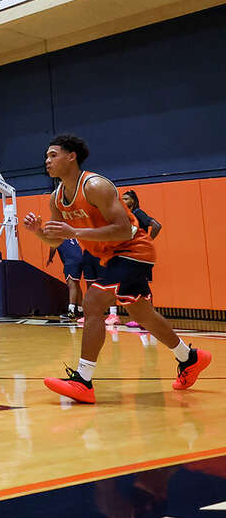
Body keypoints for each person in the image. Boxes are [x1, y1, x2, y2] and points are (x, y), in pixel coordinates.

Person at [24, 134, 211, 403]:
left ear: (71, 156)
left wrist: (74, 231)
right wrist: (38, 232)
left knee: (92, 302)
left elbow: (123, 229)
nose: (47, 160)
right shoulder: (56, 198)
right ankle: (190, 358)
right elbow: (56, 238)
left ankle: (83, 381)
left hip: (133, 249)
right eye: (46, 156)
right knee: (143, 314)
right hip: (111, 256)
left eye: (53, 155)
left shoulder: (95, 186)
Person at [46, 237, 86, 322]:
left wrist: (50, 258)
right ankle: (80, 310)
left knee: (72, 285)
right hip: (81, 258)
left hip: (71, 260)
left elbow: (52, 247)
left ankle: (71, 312)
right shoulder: (69, 234)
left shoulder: (57, 236)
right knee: (76, 284)